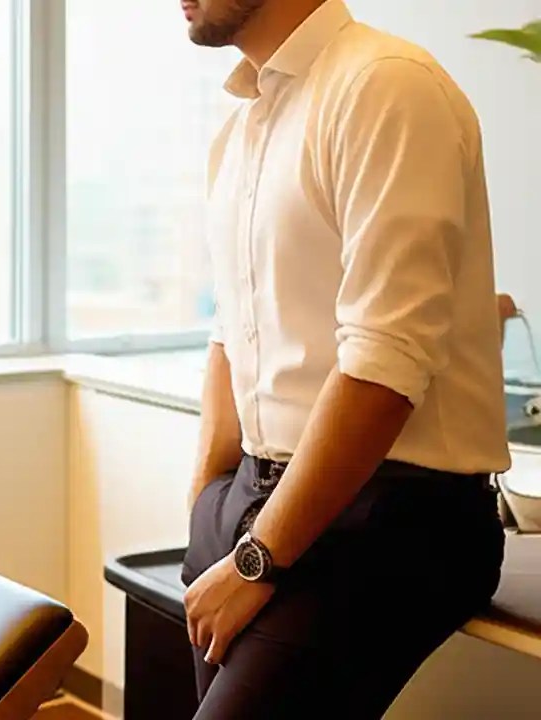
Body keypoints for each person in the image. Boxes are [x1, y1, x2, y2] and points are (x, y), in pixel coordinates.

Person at [179, 0, 511, 717]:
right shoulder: (242, 128)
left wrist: (257, 555)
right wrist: (209, 500)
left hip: (389, 517)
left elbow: (384, 358)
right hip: (247, 499)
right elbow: (229, 330)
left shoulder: (387, 86)